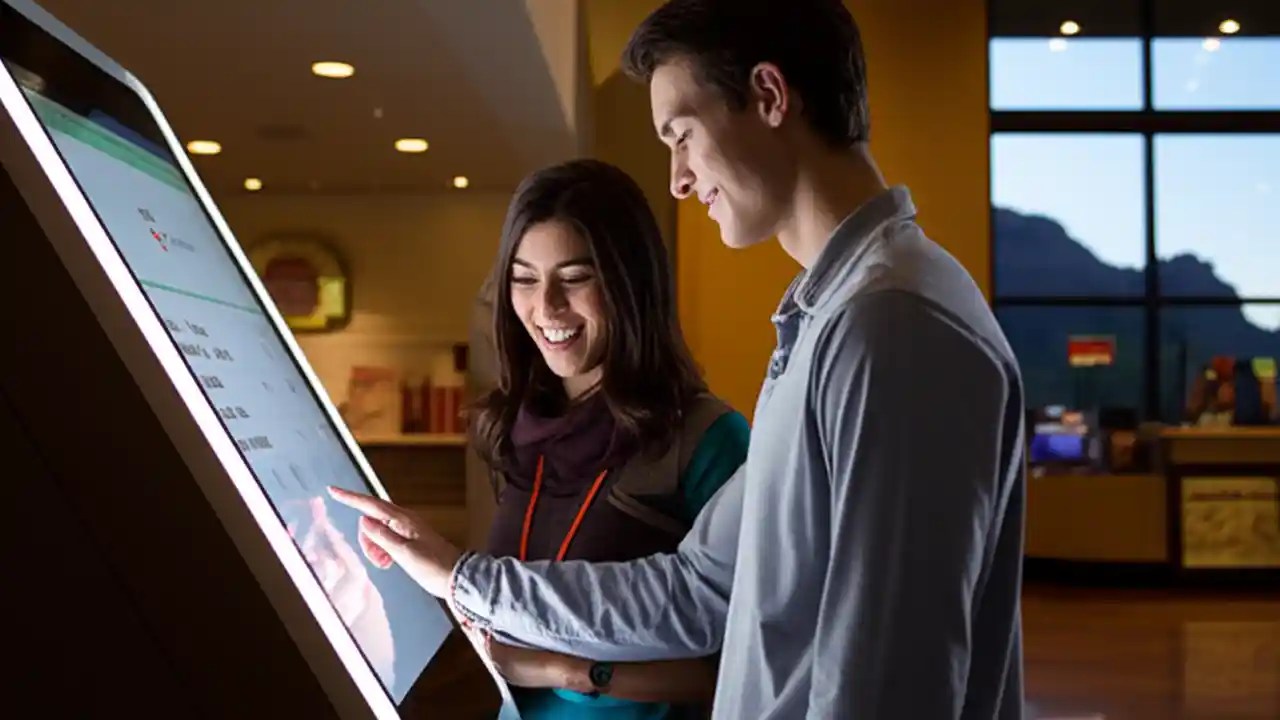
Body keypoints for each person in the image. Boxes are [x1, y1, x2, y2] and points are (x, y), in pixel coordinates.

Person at [330, 1, 1028, 718]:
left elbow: (890, 683)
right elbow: (695, 591)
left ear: (769, 95)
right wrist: (461, 576)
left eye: (682, 136)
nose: (679, 180)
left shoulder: (892, 324)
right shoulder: (829, 319)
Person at [463, 158, 750, 719]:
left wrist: (564, 671)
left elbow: (751, 664)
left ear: (627, 283)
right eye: (524, 278)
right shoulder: (515, 427)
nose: (545, 308)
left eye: (574, 278)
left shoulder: (707, 439)